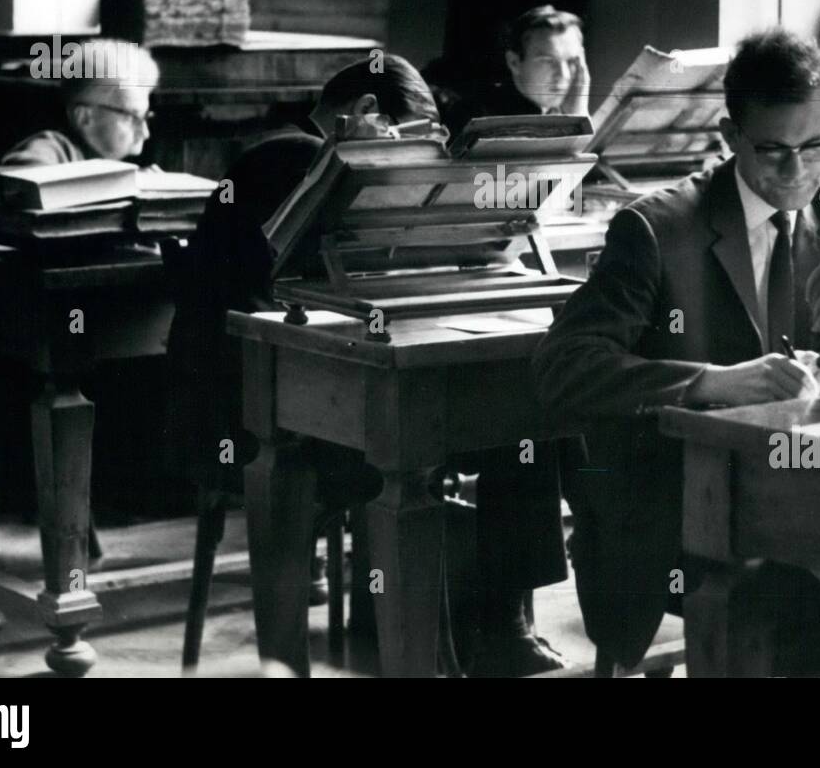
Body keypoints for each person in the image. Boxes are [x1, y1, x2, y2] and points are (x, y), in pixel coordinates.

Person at [165, 54, 568, 676]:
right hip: (248, 402)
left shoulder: (306, 159)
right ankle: (467, 630)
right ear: (368, 116)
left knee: (518, 428)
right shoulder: (294, 156)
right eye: (417, 143)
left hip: (316, 379)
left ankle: (488, 621)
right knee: (461, 440)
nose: (421, 162)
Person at [532, 28, 820, 675]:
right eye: (774, 150)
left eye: (818, 147)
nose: (797, 171)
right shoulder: (658, 230)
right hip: (678, 497)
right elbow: (563, 367)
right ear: (729, 135)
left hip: (812, 478)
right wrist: (712, 383)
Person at [431, 5, 592, 138]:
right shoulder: (475, 117)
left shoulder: (565, 111)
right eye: (548, 61)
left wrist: (579, 115)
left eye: (572, 61)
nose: (564, 75)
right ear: (514, 62)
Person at [2, 39, 160, 165]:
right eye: (131, 117)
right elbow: (26, 176)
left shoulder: (111, 159)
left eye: (145, 117)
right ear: (84, 117)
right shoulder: (51, 149)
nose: (145, 133)